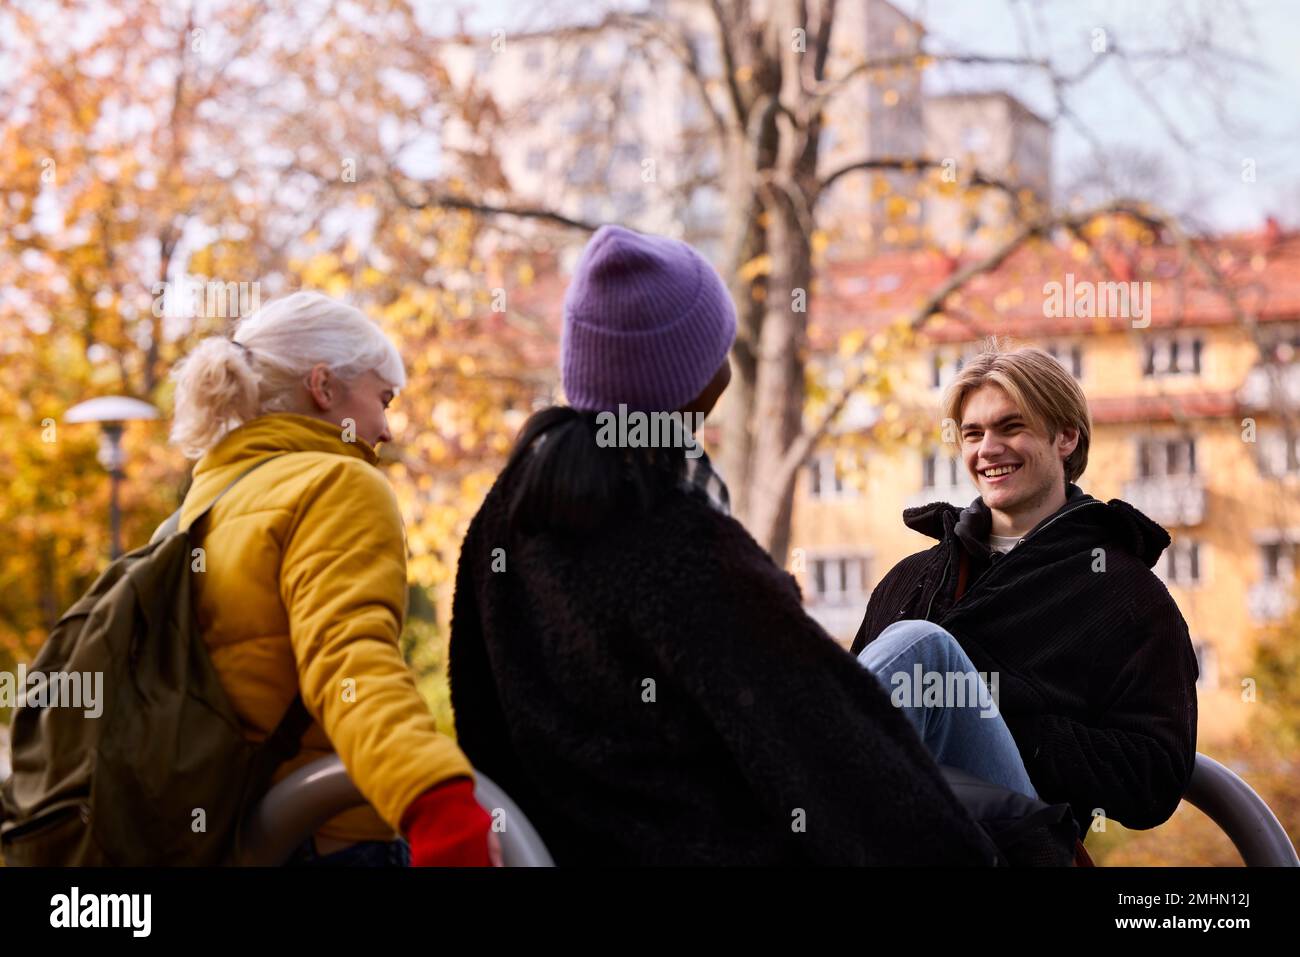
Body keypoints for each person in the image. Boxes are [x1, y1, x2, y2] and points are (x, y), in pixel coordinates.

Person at [448, 225, 1000, 866]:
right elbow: (830, 751)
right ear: (696, 379)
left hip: (566, 840)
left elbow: (477, 714)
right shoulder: (685, 551)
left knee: (918, 653)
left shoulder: (511, 505)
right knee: (929, 661)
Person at [168, 291, 494, 866]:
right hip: (327, 841)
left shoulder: (203, 504)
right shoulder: (338, 483)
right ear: (323, 386)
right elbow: (348, 660)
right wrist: (437, 803)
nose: (387, 430)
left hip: (228, 838)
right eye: (383, 399)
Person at [851, 344, 1199, 843]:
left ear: (1066, 436)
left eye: (1011, 427)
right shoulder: (911, 579)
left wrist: (989, 712)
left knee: (922, 648)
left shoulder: (1125, 595)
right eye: (973, 434)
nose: (988, 449)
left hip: (1012, 842)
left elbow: (1154, 780)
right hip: (891, 824)